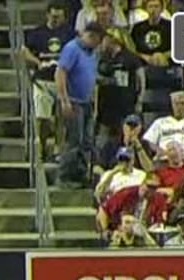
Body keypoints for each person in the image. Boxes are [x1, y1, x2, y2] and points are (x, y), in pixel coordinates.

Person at [20, 1, 76, 159]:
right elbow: (24, 52)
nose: (56, 19)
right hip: (42, 81)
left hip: (63, 82)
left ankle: (59, 150)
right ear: (47, 15)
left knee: (61, 118)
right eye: (53, 16)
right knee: (41, 118)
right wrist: (39, 63)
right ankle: (41, 147)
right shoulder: (37, 33)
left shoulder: (70, 34)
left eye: (59, 16)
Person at [55, 22, 104, 187]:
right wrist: (64, 100)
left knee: (86, 141)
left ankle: (80, 174)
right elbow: (61, 72)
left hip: (87, 102)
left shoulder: (93, 53)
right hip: (73, 101)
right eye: (94, 40)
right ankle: (65, 176)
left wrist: (94, 103)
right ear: (88, 35)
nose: (96, 44)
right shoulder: (72, 48)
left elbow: (93, 78)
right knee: (73, 140)